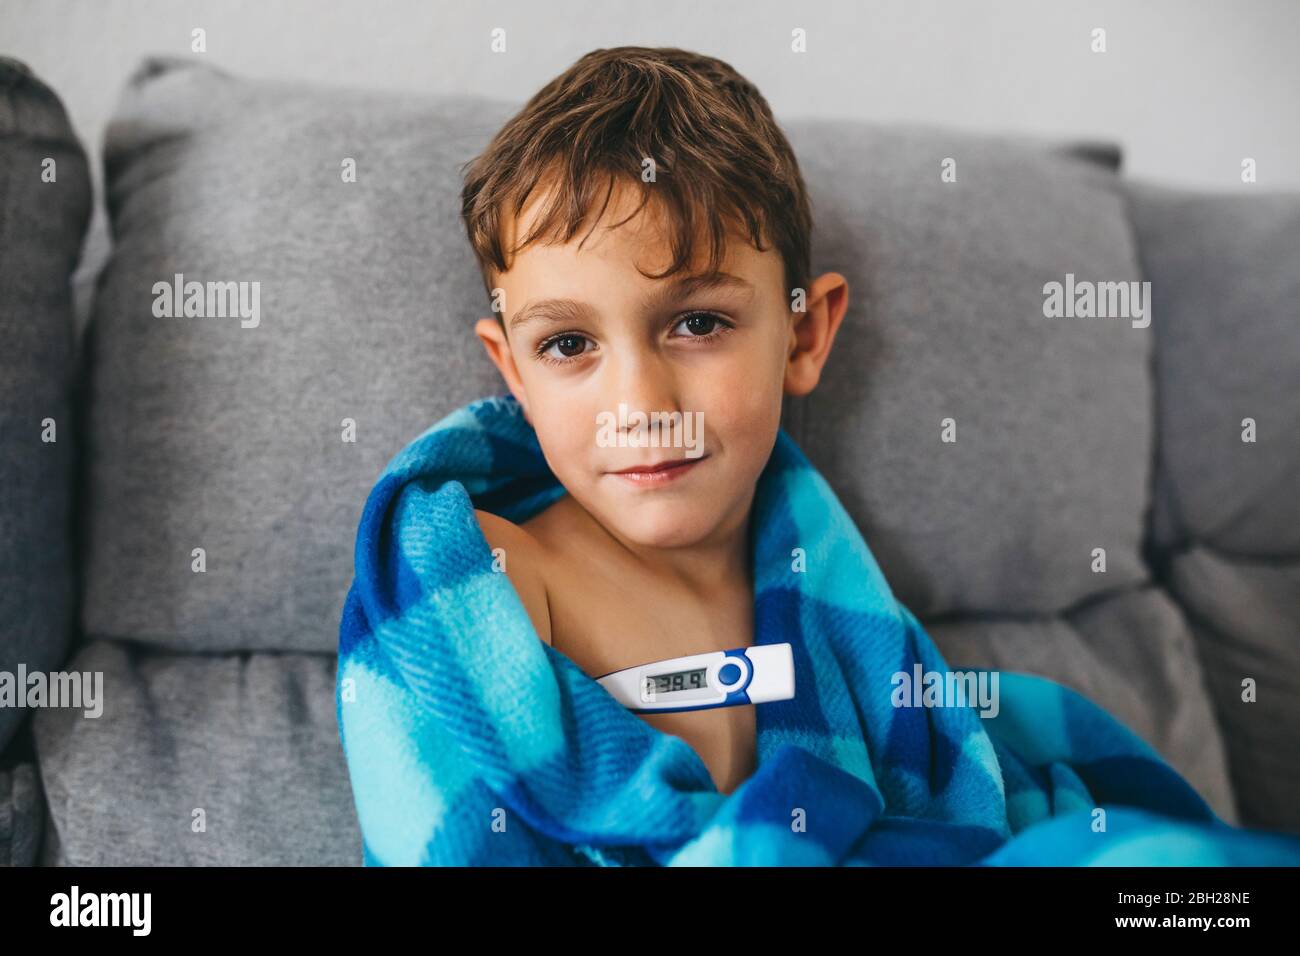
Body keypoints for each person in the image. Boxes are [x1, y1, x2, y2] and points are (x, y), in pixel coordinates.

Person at [457, 46, 849, 794]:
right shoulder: (506, 574)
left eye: (699, 324)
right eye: (567, 344)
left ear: (801, 336)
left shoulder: (833, 596)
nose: (641, 410)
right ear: (514, 373)